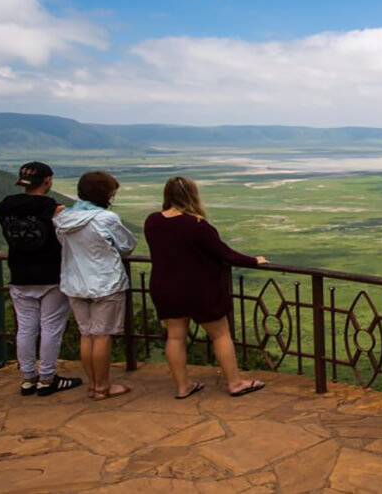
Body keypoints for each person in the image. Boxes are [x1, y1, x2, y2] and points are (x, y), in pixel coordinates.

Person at [143, 176, 268, 399]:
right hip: (199, 289)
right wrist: (253, 261)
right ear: (192, 195)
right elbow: (223, 253)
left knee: (175, 336)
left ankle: (183, 387)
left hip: (165, 287)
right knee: (220, 335)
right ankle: (235, 383)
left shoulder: (152, 221)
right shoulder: (197, 225)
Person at [0, 162, 83, 397]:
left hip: (19, 274)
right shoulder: (54, 209)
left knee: (25, 328)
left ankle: (27, 378)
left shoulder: (6, 207)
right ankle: (47, 379)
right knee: (51, 329)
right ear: (48, 180)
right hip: (51, 275)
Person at [54, 171, 136, 401]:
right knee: (101, 336)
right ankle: (102, 387)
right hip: (105, 282)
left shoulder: (63, 219)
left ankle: (93, 385)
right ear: (105, 193)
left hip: (74, 282)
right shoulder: (105, 219)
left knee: (86, 335)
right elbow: (127, 245)